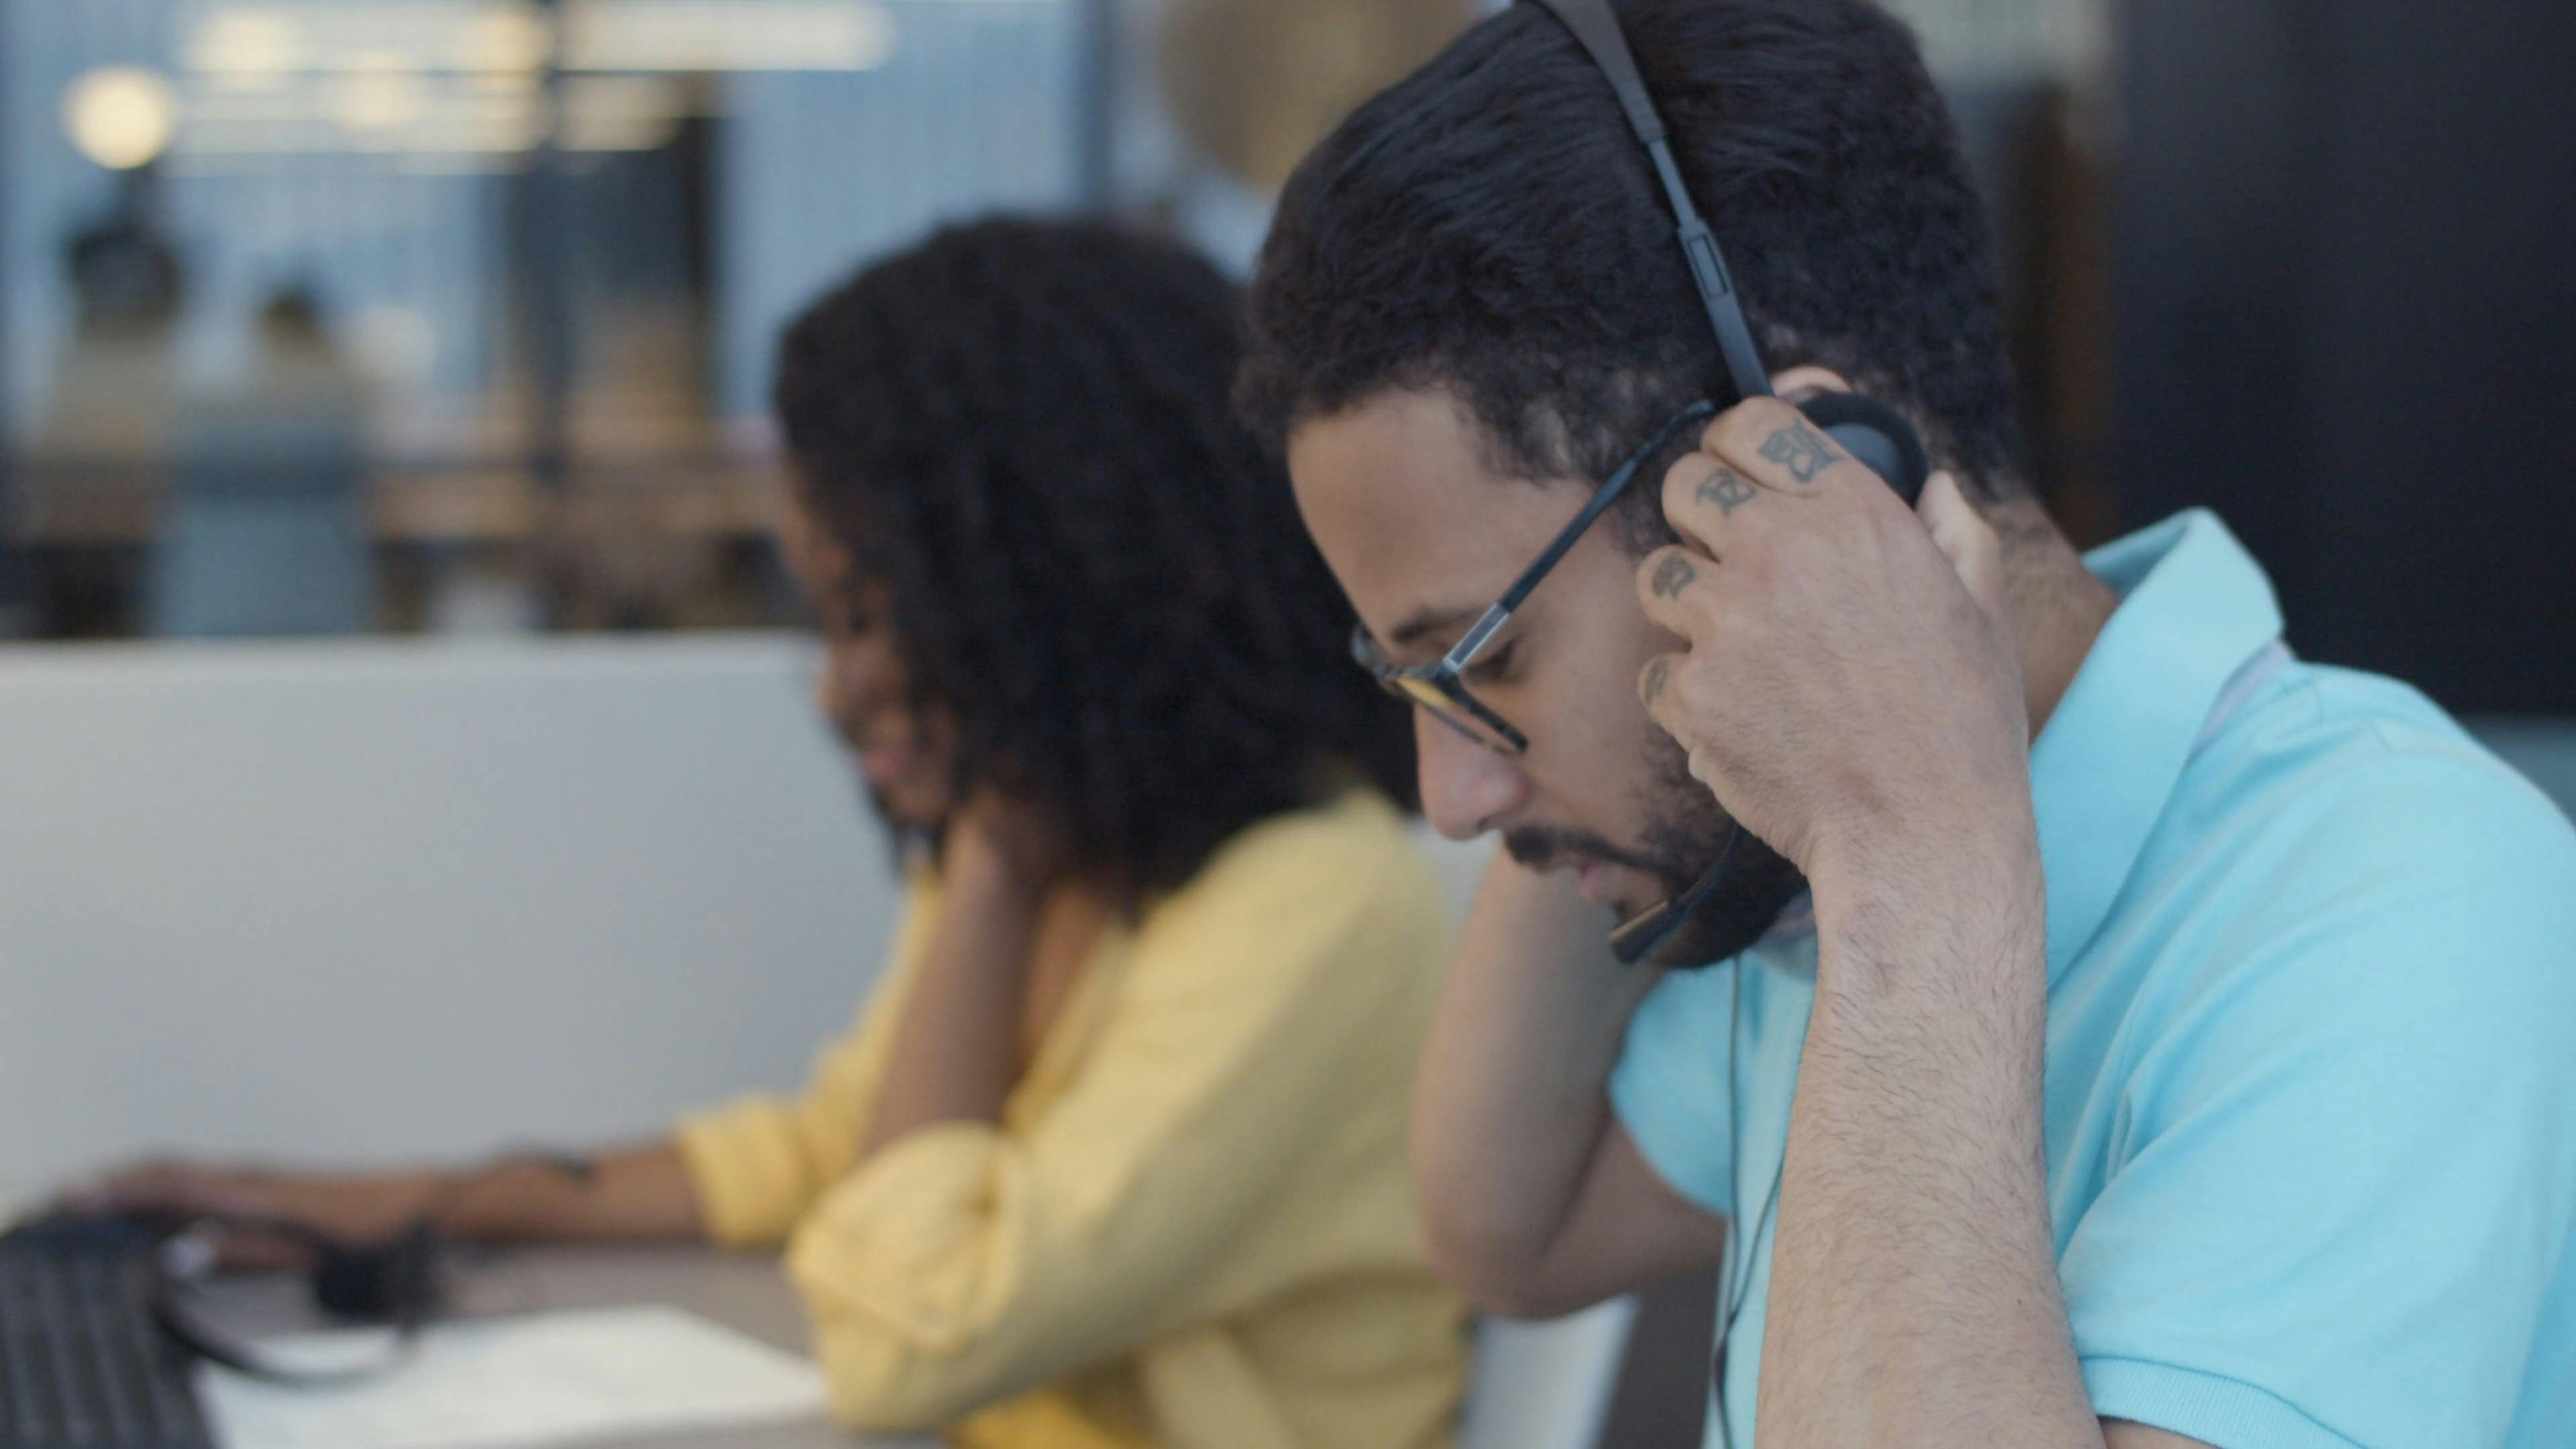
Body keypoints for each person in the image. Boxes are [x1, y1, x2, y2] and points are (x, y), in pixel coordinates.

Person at [1236, 3, 2576, 1448]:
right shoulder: (1801, 859)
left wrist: (1912, 855)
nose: (1453, 797)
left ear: (1807, 474)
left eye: (1488, 659)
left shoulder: (2406, 903)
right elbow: (1511, 1225)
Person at [85, 218, 1467, 1449]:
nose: (834, 687)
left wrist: (989, 877)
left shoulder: (1307, 907)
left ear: (1047, 592)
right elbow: (833, 1155)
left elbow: (909, 1337)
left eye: (869, 616)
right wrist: (383, 1204)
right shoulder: (1079, 850)